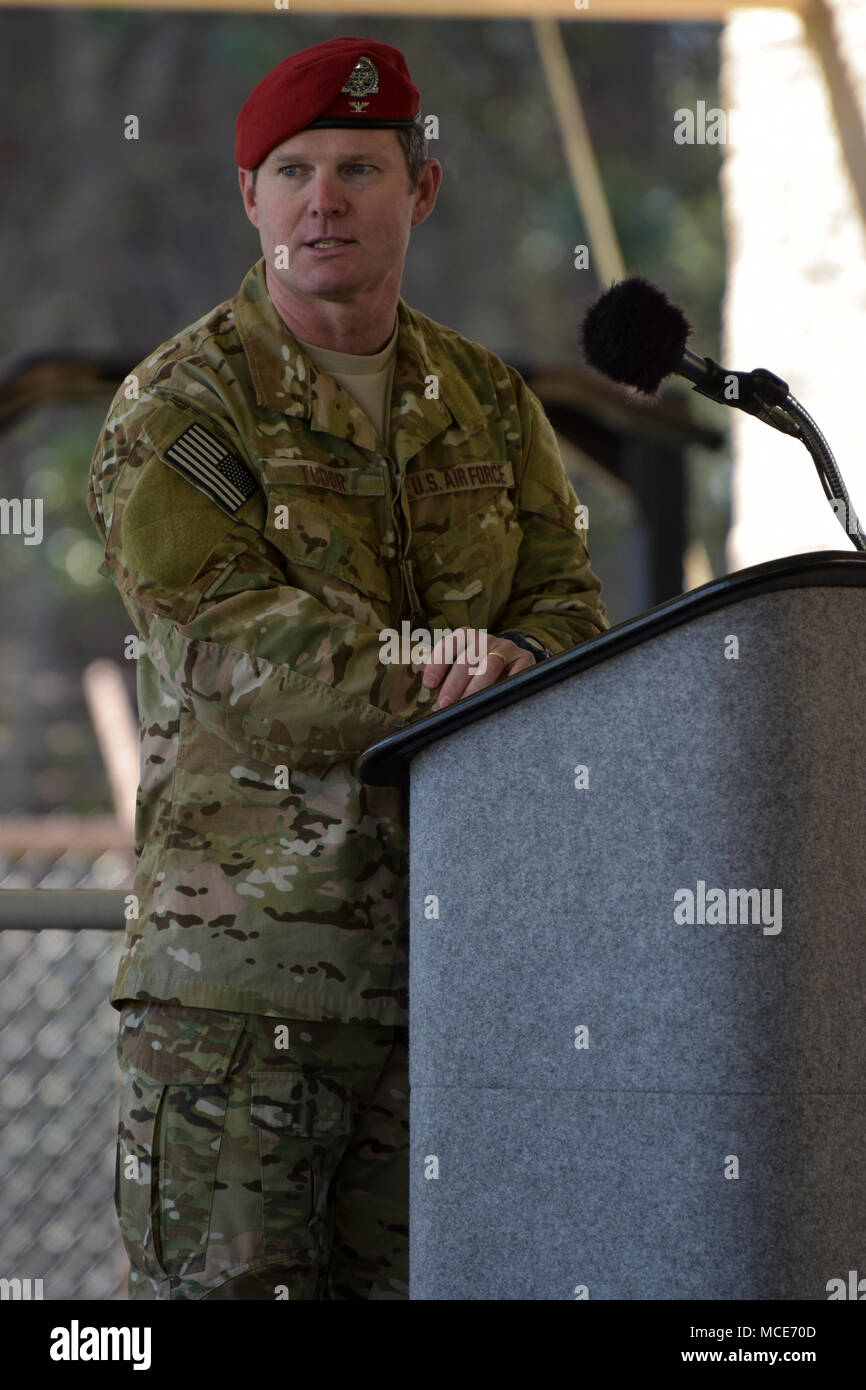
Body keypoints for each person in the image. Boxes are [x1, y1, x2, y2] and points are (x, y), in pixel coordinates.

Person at [87, 35, 609, 1301]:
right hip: (248, 993)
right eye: (294, 170)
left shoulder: (486, 402)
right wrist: (458, 666)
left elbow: (567, 606)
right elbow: (234, 650)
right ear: (248, 198)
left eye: (360, 169)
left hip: (461, 984)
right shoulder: (183, 409)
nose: (325, 201)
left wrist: (528, 653)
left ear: (419, 190)